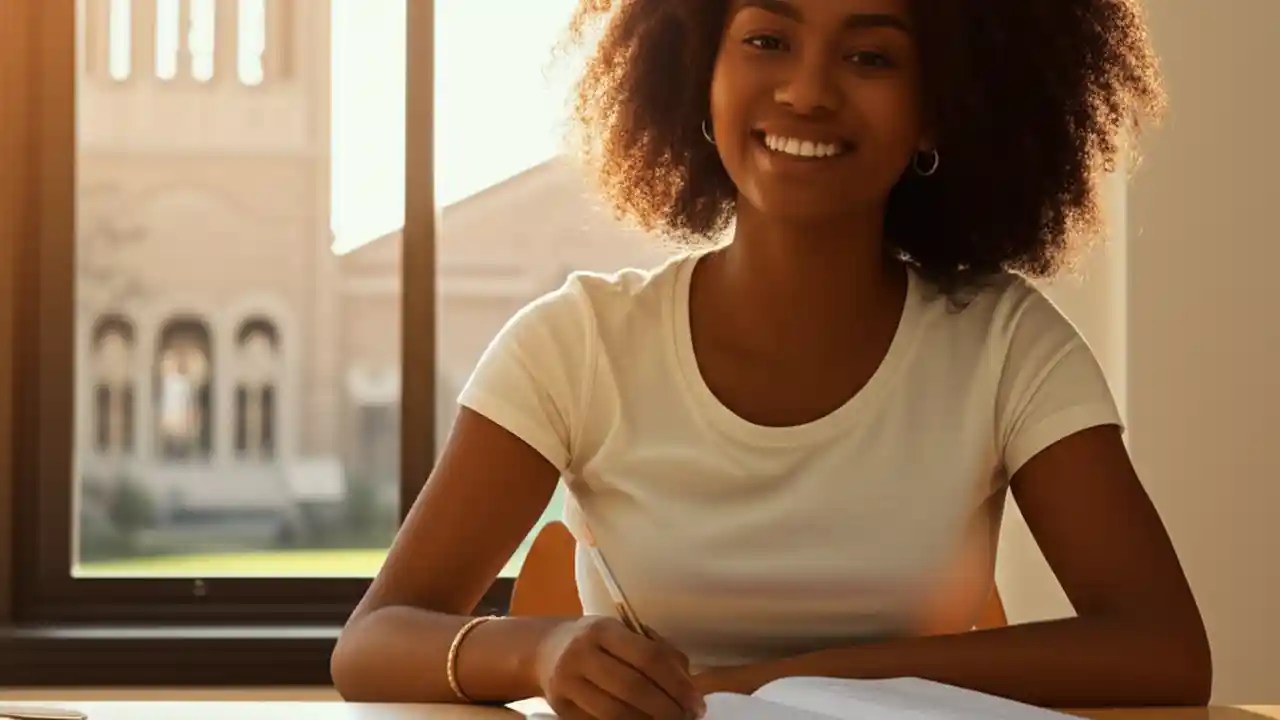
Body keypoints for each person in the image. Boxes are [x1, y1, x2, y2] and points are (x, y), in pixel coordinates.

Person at [332, 0, 1212, 717]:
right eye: (766, 40)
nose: (807, 90)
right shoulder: (579, 343)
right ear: (696, 75)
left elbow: (1165, 651)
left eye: (871, 57)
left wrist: (780, 684)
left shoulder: (1006, 344)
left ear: (940, 105)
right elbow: (371, 645)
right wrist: (541, 650)